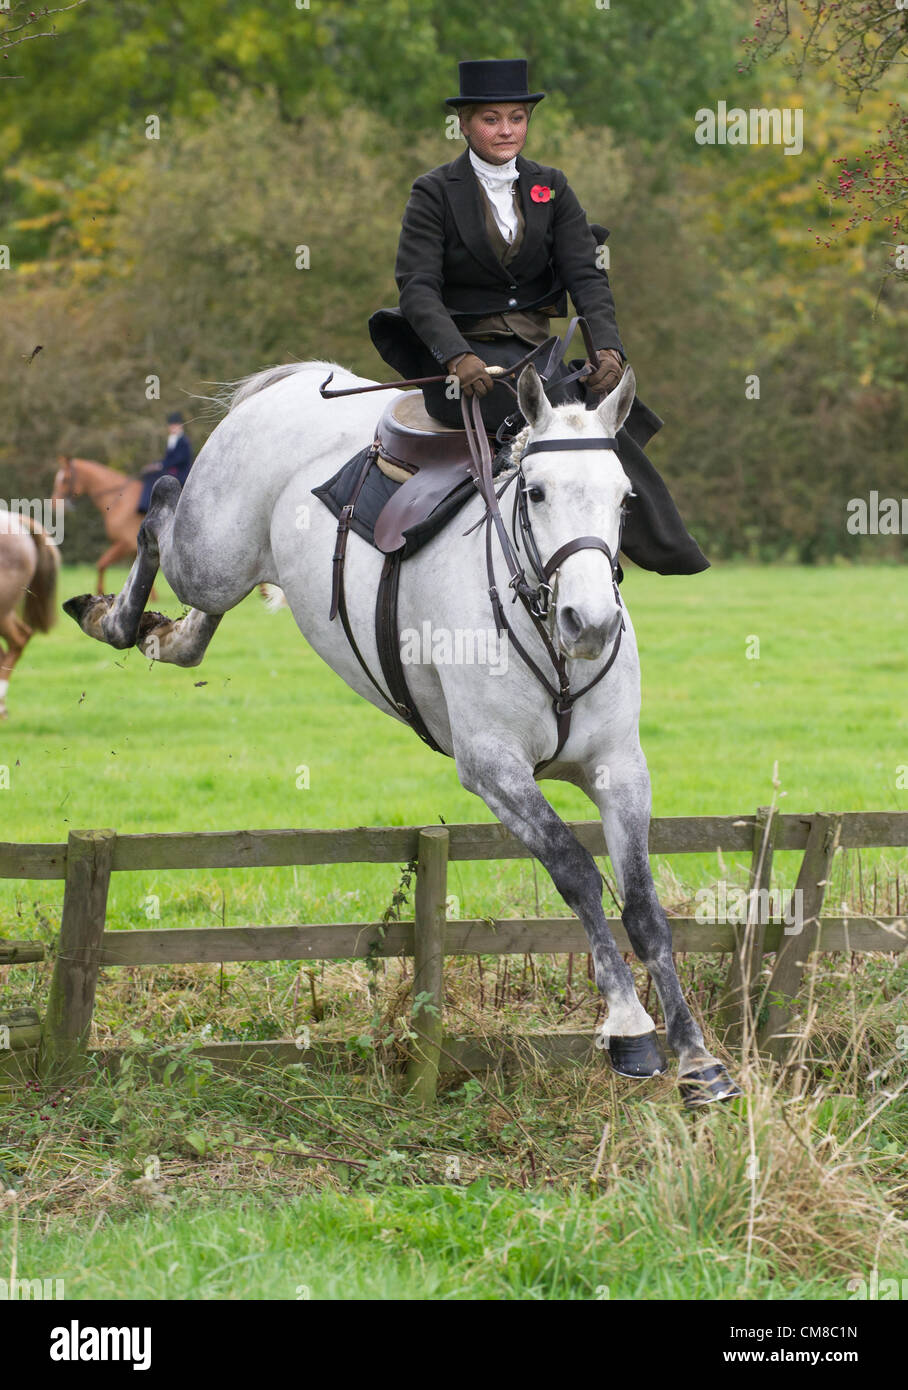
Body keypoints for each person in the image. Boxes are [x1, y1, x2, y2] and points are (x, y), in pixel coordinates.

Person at [369, 59, 708, 576]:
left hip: (535, 353)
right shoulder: (434, 192)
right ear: (464, 124)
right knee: (521, 420)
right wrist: (457, 355)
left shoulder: (552, 185)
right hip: (464, 364)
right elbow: (417, 289)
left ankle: (649, 548)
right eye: (491, 119)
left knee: (600, 423)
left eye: (517, 118)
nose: (506, 130)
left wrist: (608, 350)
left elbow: (586, 277)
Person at [137, 411, 194, 515]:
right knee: (149, 472)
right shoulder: (172, 439)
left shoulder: (184, 441)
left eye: (174, 426)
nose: (171, 428)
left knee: (152, 476)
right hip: (172, 470)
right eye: (171, 426)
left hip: (181, 474)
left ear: (179, 426)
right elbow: (167, 458)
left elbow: (180, 459)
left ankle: (145, 506)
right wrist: (155, 465)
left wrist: (160, 466)